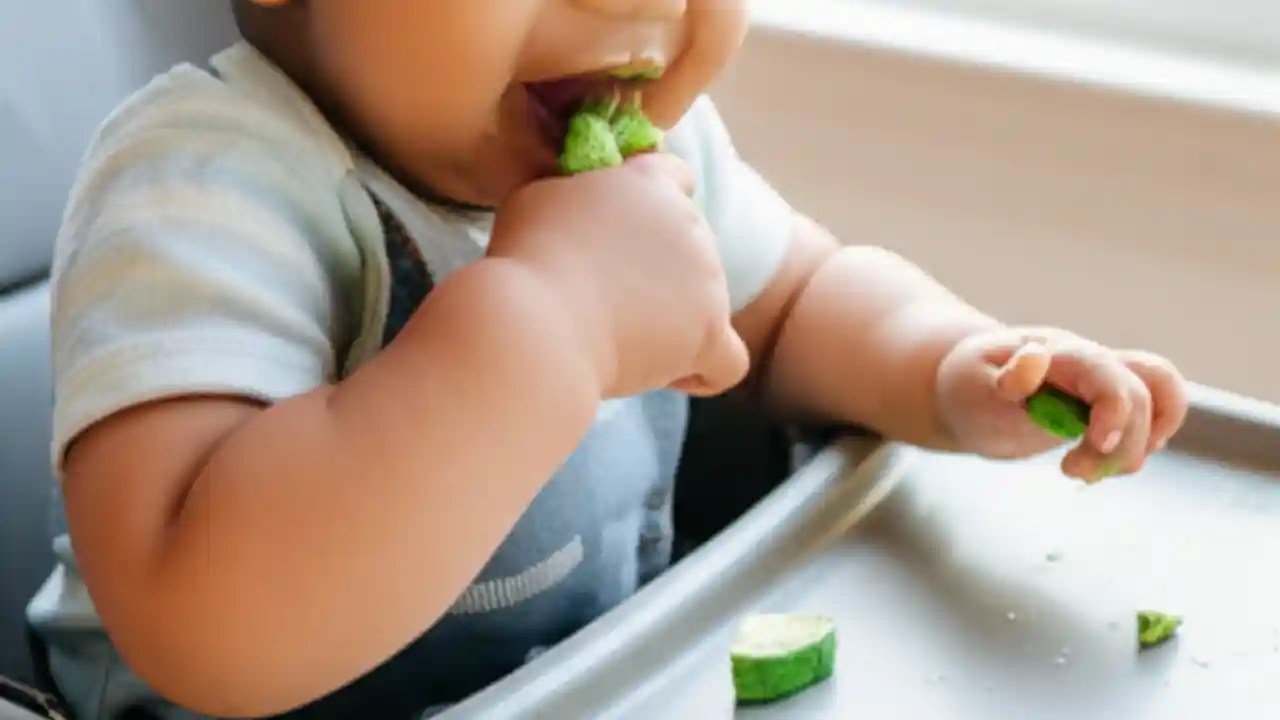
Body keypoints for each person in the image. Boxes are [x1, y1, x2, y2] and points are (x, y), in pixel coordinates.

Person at [30, 1, 1189, 718]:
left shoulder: (651, 154)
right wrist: (553, 317)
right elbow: (209, 630)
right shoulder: (203, 186)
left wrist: (952, 367)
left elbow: (786, 305)